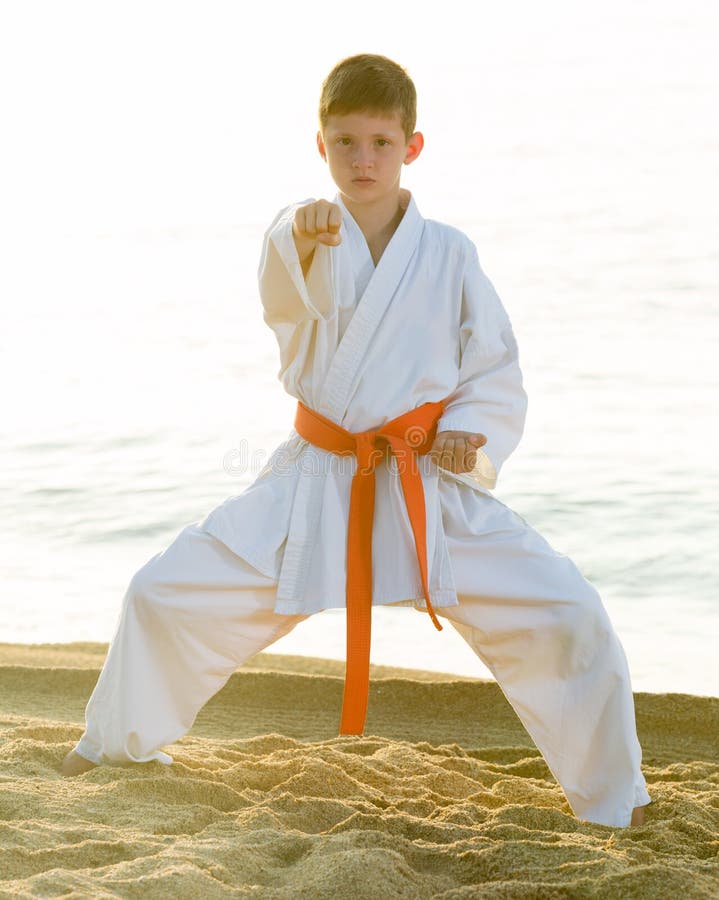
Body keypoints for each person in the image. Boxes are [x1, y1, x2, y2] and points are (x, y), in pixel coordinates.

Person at [62, 53, 652, 829]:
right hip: (316, 481)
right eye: (345, 142)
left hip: (420, 486)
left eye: (379, 141)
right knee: (163, 592)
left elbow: (494, 364)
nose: (361, 159)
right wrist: (302, 235)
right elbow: (286, 284)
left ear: (412, 145)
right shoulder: (304, 229)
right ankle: (114, 746)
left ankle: (614, 800)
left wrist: (467, 439)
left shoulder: (448, 253)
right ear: (320, 145)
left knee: (567, 611)